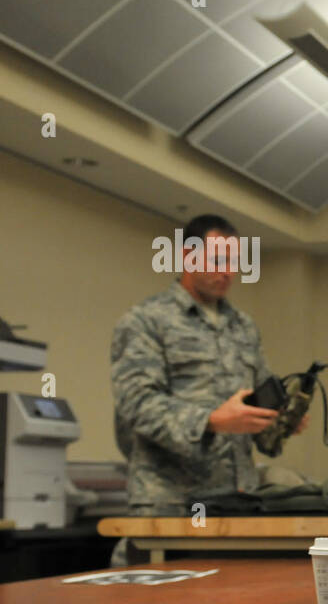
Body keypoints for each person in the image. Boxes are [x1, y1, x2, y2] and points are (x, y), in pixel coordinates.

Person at [111, 214, 302, 517]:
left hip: (237, 498)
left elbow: (253, 412)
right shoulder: (146, 321)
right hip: (171, 502)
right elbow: (137, 405)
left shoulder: (243, 327)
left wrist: (282, 421)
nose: (227, 272)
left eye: (234, 261)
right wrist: (210, 421)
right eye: (218, 260)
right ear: (188, 256)